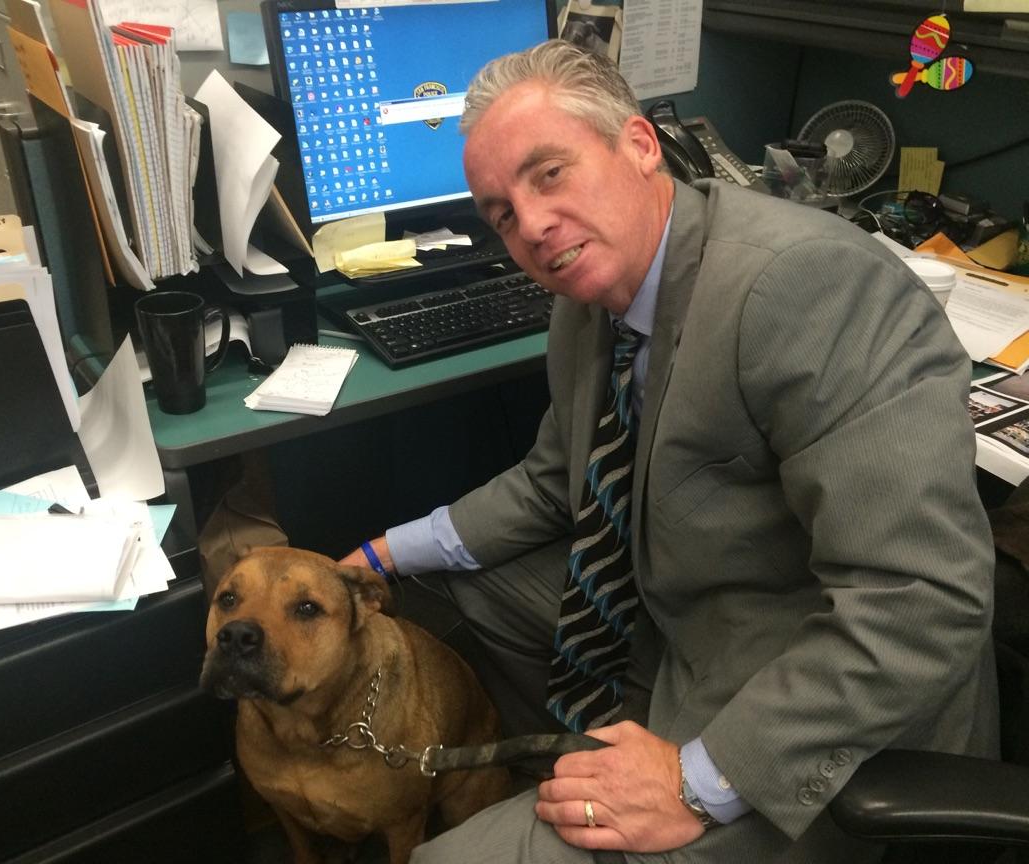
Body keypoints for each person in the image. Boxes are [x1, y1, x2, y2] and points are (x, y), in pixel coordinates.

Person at [340, 39, 998, 863]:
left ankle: (634, 798)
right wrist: (381, 553)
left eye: (550, 173)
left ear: (641, 146)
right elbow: (557, 482)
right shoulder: (591, 298)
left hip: (823, 709)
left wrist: (695, 781)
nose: (533, 227)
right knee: (470, 587)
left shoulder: (803, 285)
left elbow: (922, 597)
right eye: (502, 213)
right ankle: (591, 766)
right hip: (688, 618)